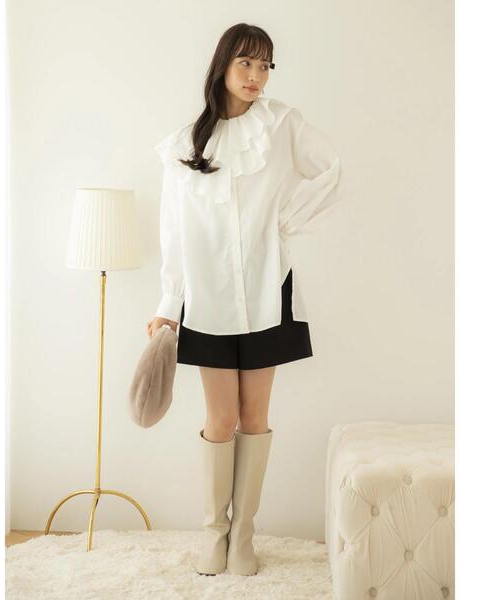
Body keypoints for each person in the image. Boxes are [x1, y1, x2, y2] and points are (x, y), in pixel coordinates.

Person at [146, 23, 342, 577]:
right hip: (205, 295)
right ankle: (215, 532)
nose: (256, 76)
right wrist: (167, 303)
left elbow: (331, 171)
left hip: (266, 289)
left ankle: (244, 535)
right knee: (221, 417)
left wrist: (284, 222)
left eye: (265, 65)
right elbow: (173, 231)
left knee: (255, 415)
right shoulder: (183, 146)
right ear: (223, 66)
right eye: (246, 63)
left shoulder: (281, 124)